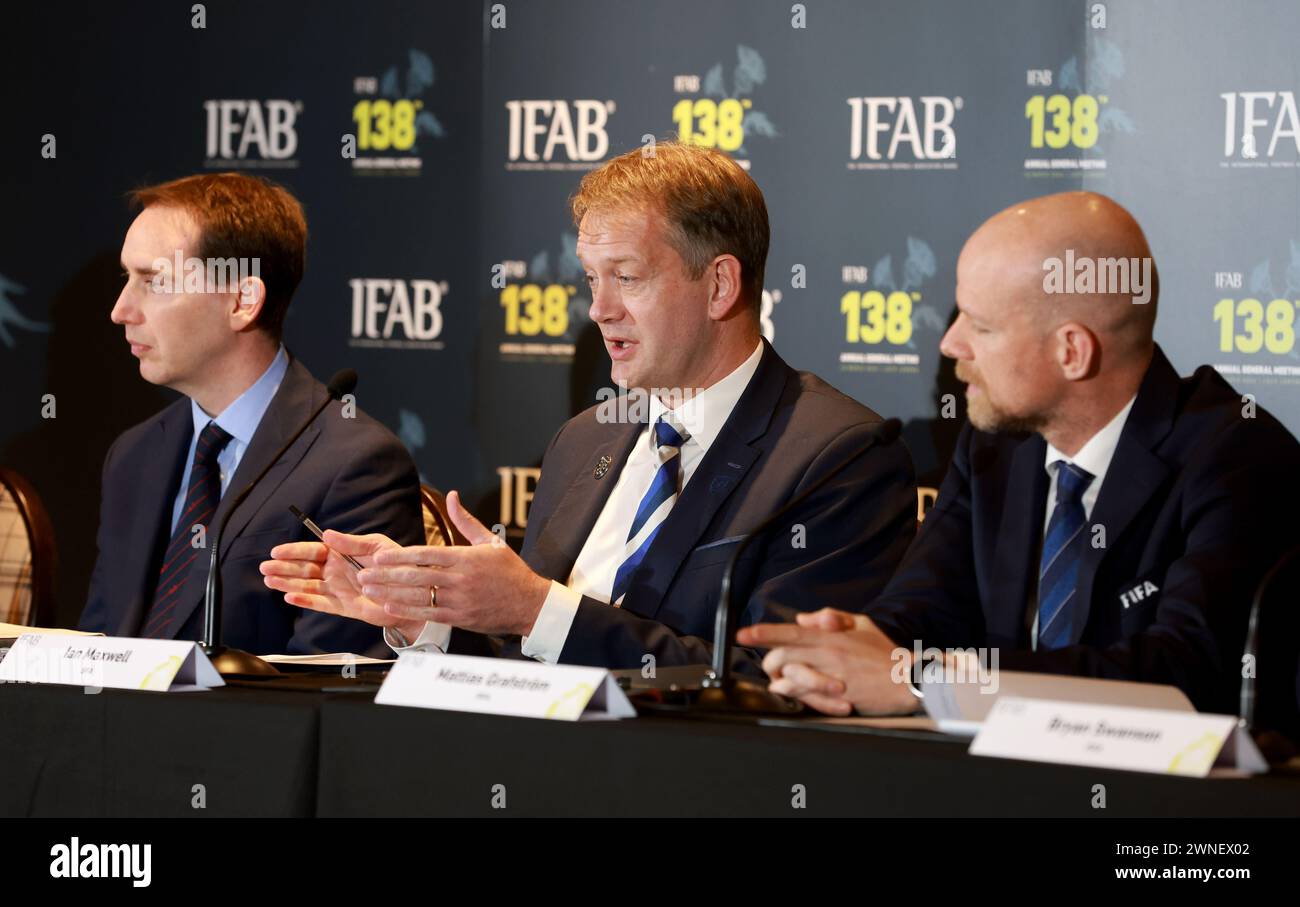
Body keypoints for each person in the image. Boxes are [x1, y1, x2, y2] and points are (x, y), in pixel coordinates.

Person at [261, 141, 917, 671]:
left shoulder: (840, 456)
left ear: (719, 284)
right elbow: (530, 658)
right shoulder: (584, 441)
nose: (599, 310)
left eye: (627, 277)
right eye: (592, 280)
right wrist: (422, 612)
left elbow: (776, 685)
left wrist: (534, 608)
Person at [740, 191, 1300, 716]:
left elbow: (1186, 675)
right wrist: (853, 651)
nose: (950, 344)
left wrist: (928, 684)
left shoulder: (1238, 459)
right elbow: (922, 612)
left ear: (1072, 351)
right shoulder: (999, 444)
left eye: (980, 326)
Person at [80, 173, 423, 656]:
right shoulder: (134, 454)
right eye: (126, 279)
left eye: (154, 282)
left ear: (242, 301)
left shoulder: (355, 465)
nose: (120, 310)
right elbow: (97, 646)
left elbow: (331, 682)